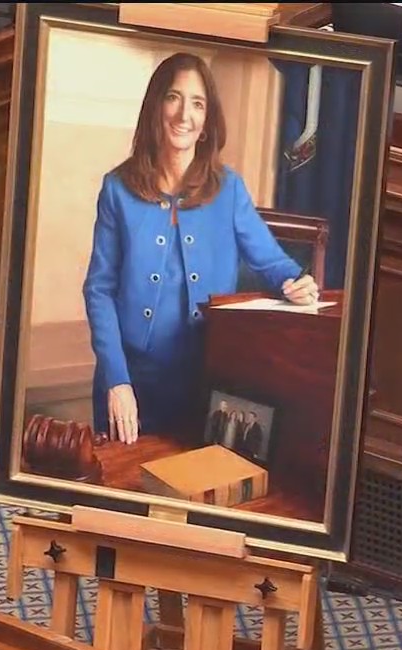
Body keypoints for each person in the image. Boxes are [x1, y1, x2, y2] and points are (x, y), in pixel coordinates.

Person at [83, 52, 319, 444]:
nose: (184, 115)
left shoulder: (229, 189)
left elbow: (271, 261)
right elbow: (99, 289)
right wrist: (116, 380)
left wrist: (295, 281)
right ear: (156, 107)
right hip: (132, 376)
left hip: (205, 377)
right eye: (173, 98)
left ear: (207, 122)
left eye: (197, 104)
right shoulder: (117, 189)